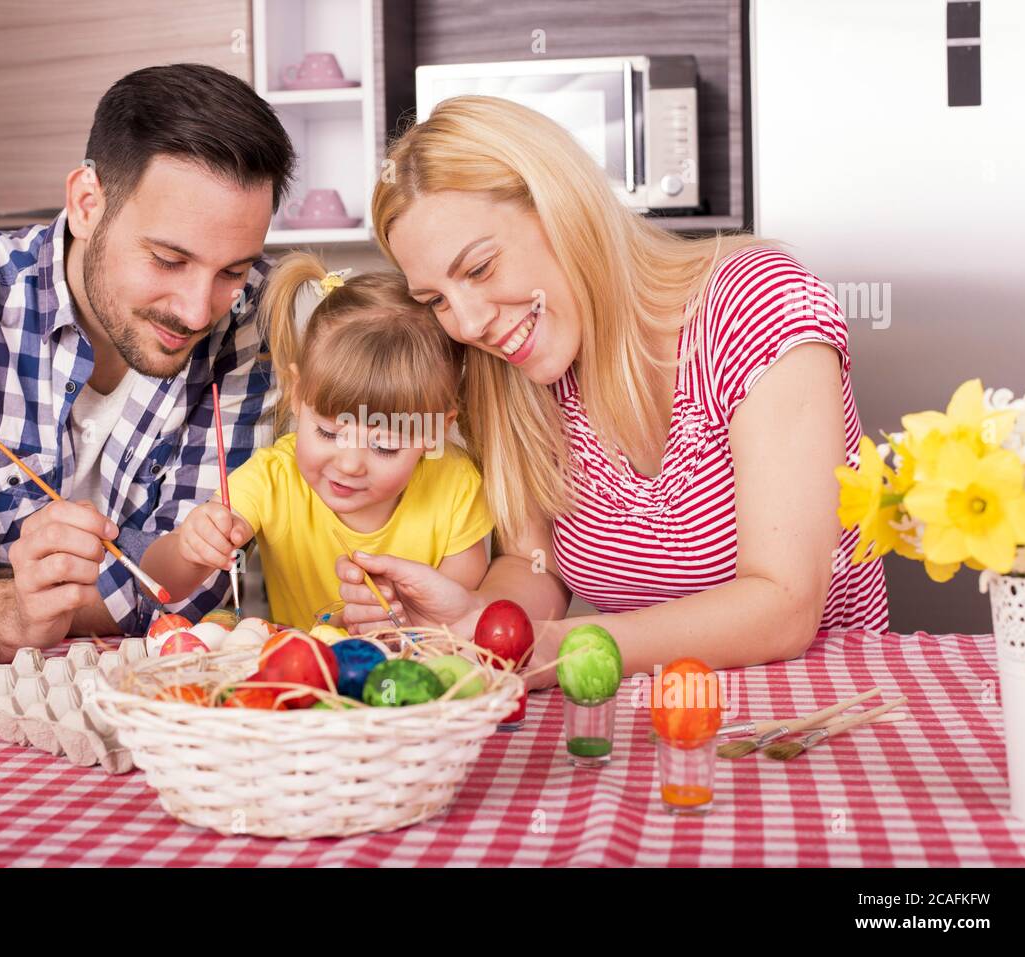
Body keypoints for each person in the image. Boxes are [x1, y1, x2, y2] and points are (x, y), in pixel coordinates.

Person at [336, 95, 888, 686]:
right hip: (652, 724)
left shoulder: (760, 304)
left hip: (817, 717)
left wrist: (555, 649)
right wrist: (479, 622)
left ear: (562, 209)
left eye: (479, 269)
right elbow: (533, 565)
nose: (469, 325)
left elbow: (783, 606)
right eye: (437, 300)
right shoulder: (516, 375)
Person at [0, 64, 295, 665]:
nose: (199, 312)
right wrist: (5, 610)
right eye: (169, 260)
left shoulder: (257, 315)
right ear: (88, 203)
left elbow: (190, 588)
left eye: (232, 270)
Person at [146, 253, 493, 629]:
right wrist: (191, 548)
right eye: (329, 432)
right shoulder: (272, 478)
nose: (349, 464)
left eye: (385, 446)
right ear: (296, 395)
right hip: (297, 679)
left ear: (434, 431)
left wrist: (409, 621)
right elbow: (160, 581)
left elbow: (457, 621)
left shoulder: (457, 487)